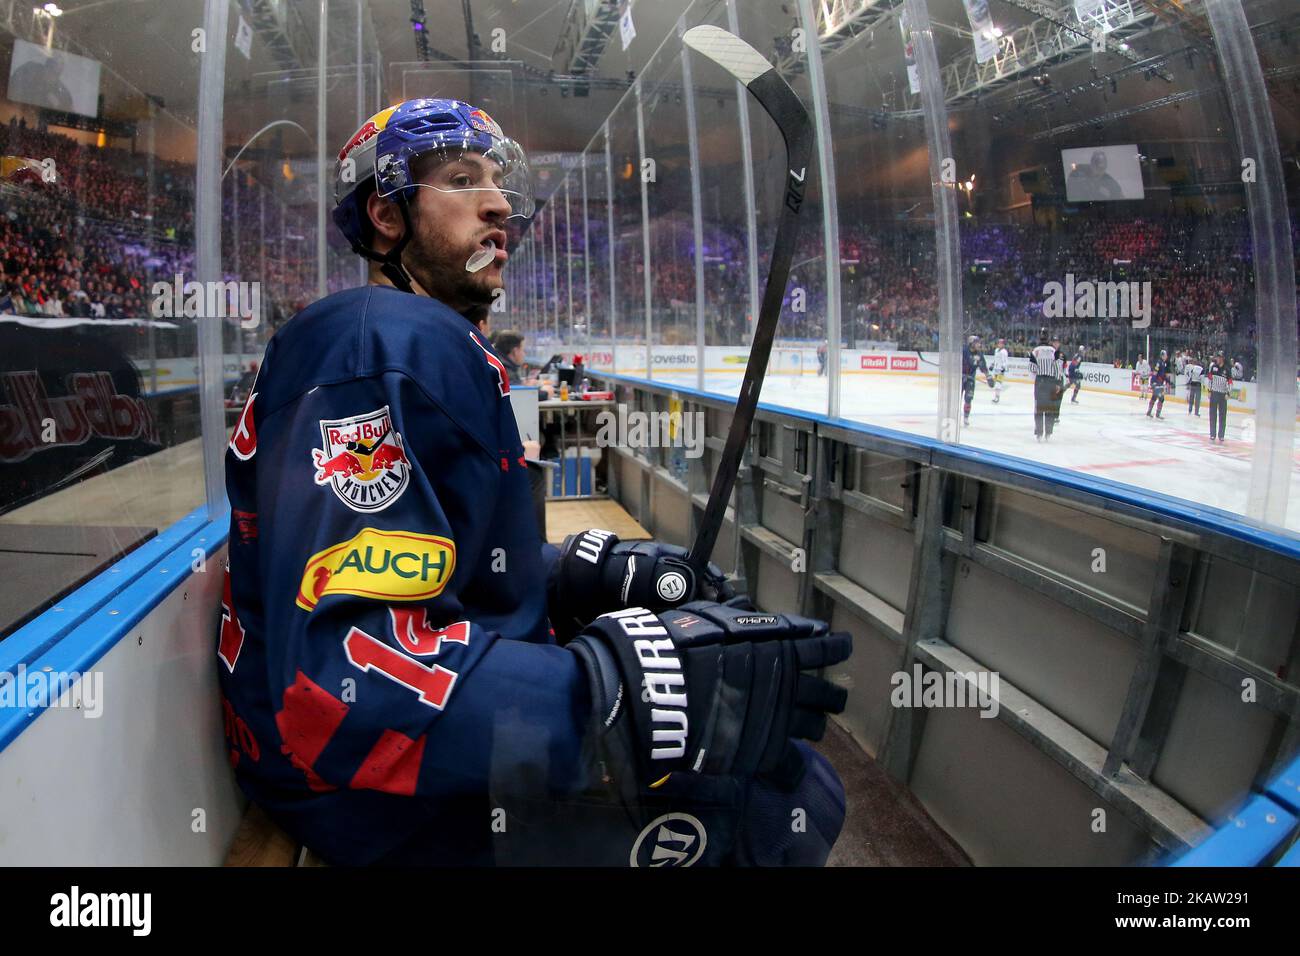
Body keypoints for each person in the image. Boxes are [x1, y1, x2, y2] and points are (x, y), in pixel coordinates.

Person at [216, 98, 850, 867]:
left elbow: (426, 569)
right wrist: (605, 692)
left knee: (776, 768)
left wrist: (577, 573)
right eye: (460, 180)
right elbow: (341, 680)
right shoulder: (375, 348)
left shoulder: (422, 342)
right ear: (386, 215)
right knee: (784, 800)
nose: (498, 206)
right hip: (376, 799)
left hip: (409, 762)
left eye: (497, 183)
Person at [1030, 329, 1062, 441]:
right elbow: (1058, 368)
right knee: (1049, 408)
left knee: (1039, 408)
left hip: (1040, 381)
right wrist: (1058, 382)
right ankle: (1048, 433)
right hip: (1051, 381)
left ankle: (1039, 433)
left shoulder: (1035, 351)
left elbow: (1032, 368)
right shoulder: (1054, 351)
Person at [961, 334, 993, 426]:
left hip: (970, 378)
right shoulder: (963, 350)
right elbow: (955, 361)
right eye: (977, 343)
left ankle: (966, 417)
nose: (979, 345)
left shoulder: (979, 354)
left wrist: (988, 376)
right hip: (960, 378)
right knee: (955, 398)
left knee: (968, 398)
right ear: (971, 343)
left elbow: (983, 367)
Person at [1207, 351, 1232, 442]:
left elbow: (1229, 383)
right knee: (1212, 415)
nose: (1217, 359)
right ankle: (1212, 434)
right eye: (1217, 357)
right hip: (1214, 393)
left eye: (1219, 357)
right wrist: (1209, 390)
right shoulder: (1213, 368)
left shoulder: (1227, 369)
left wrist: (1228, 393)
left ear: (1222, 358)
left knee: (1222, 415)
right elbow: (1210, 380)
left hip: (1222, 395)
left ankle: (1221, 435)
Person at [1147, 349, 1169, 419]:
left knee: (1154, 397)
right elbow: (1155, 372)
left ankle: (1149, 412)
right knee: (1161, 398)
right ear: (1162, 355)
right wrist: (1153, 382)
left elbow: (1163, 375)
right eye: (1165, 355)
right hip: (1158, 383)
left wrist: (1169, 381)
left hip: (1160, 383)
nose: (1166, 356)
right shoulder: (1159, 363)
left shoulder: (1163, 363)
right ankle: (1157, 414)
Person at [990, 337, 1008, 404]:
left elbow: (1005, 361)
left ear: (1003, 344)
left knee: (998, 384)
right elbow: (995, 359)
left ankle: (997, 397)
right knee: (996, 384)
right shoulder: (996, 350)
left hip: (1000, 370)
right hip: (996, 369)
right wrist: (992, 365)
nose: (999, 344)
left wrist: (1003, 368)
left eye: (1001, 343)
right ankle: (996, 396)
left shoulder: (1004, 352)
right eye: (999, 343)